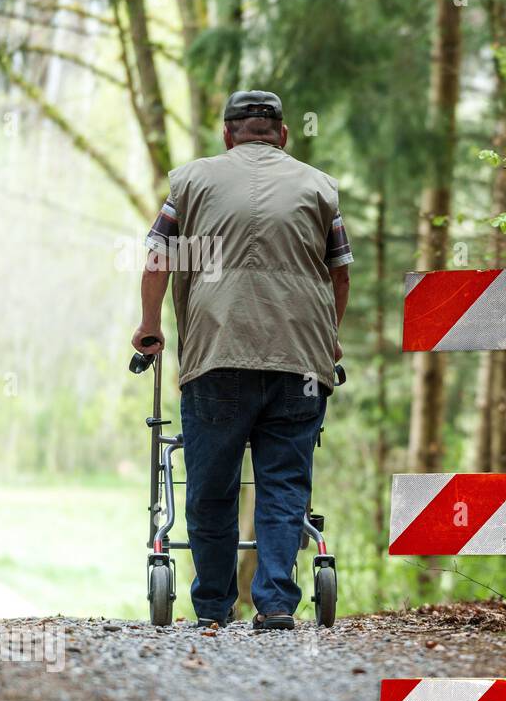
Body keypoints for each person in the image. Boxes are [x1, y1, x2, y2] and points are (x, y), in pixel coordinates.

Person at [132, 90, 352, 631]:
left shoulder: (190, 182)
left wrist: (150, 327)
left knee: (211, 486)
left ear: (228, 134)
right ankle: (276, 604)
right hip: (300, 362)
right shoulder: (319, 186)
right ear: (282, 134)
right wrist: (330, 337)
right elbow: (339, 272)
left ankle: (212, 607)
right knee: (283, 484)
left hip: (217, 357)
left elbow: (158, 257)